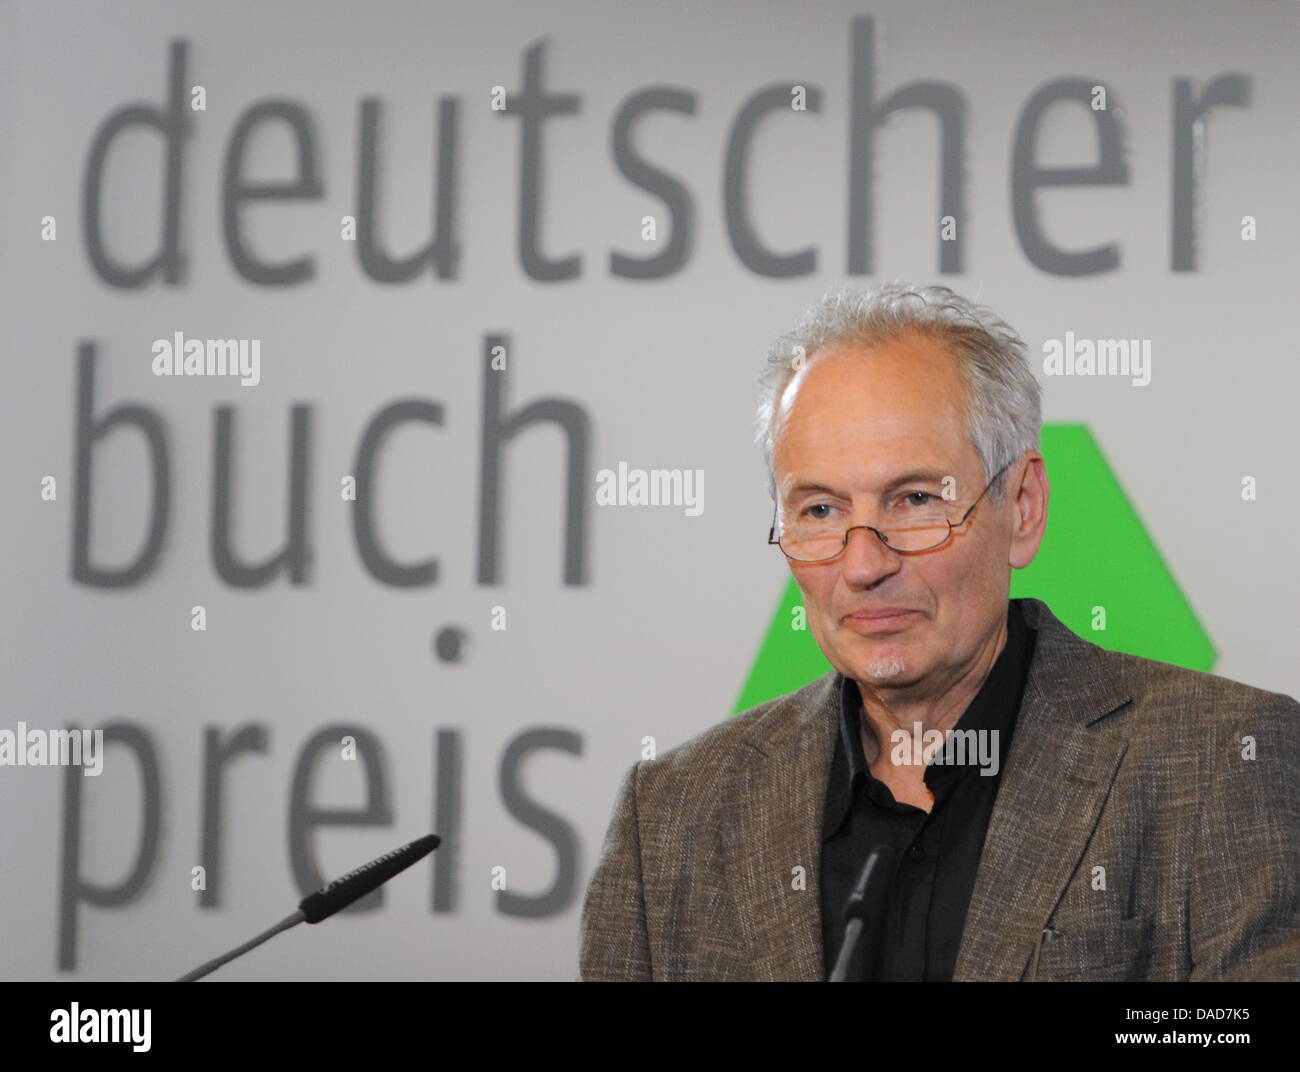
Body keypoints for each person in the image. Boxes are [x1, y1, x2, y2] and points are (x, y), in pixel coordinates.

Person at [578, 282, 1300, 981]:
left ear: (1022, 507)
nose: (864, 565)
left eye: (916, 499)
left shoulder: (1221, 762)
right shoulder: (671, 816)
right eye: (821, 511)